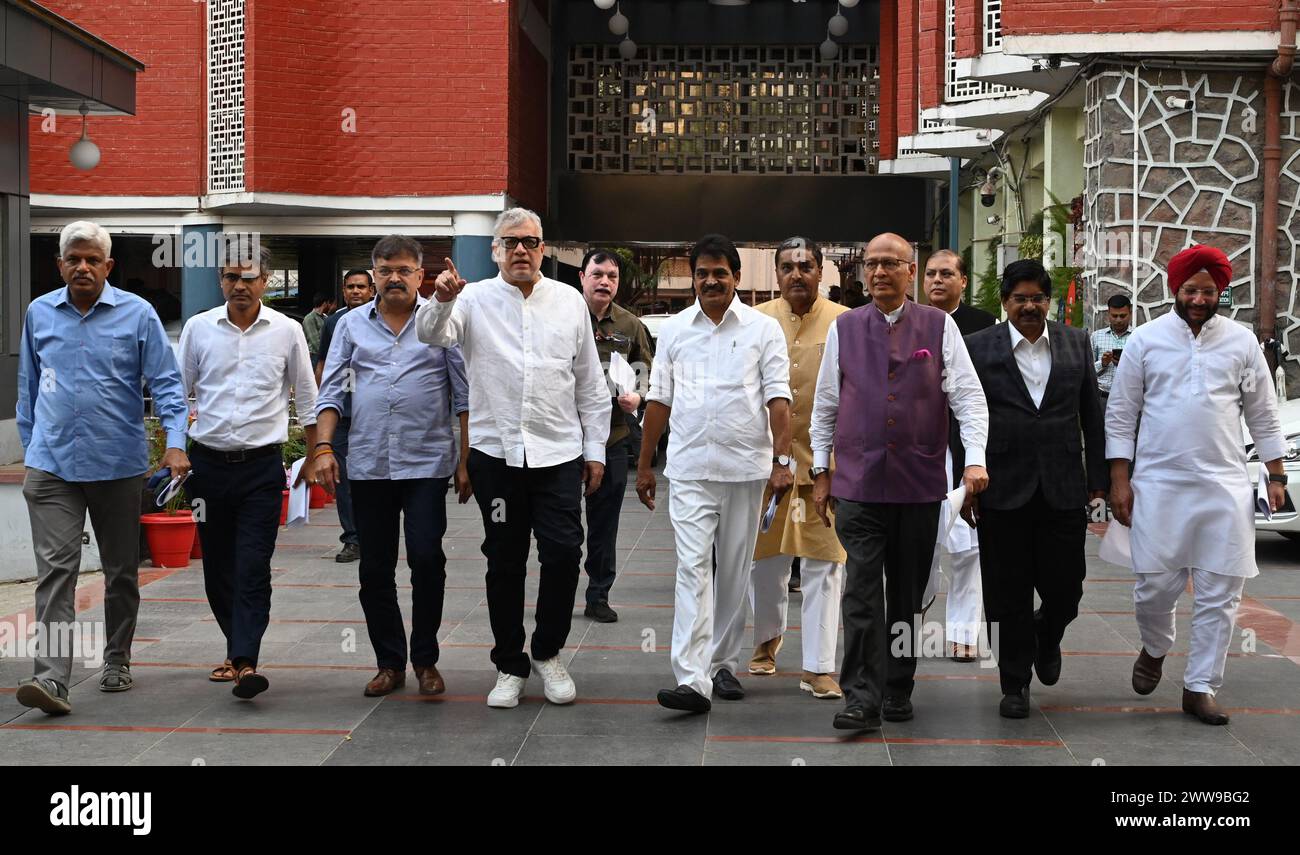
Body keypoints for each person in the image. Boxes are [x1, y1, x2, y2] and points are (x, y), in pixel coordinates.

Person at [417, 208, 610, 709]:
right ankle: (509, 663)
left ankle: (547, 652)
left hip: (558, 454)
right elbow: (432, 335)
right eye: (511, 242)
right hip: (496, 455)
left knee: (565, 553)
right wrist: (441, 298)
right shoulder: (472, 298)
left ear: (543, 248)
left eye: (531, 241)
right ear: (495, 250)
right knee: (504, 561)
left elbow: (590, 383)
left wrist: (595, 451)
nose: (521, 249)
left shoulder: (568, 301)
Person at [810, 232, 988, 731]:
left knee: (908, 592)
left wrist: (974, 461)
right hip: (858, 485)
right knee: (861, 590)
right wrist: (821, 472)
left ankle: (898, 685)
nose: (880, 272)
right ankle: (861, 696)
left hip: (919, 482)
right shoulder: (845, 328)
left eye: (891, 263)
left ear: (911, 271)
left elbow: (969, 399)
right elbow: (825, 406)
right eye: (872, 264)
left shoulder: (939, 326)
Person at [14, 221, 190, 715]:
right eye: (75, 259)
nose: (83, 267)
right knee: (56, 571)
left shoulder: (138, 315)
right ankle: (50, 679)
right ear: (60, 264)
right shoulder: (39, 313)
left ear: (108, 266)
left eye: (93, 259)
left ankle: (117, 657)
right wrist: (33, 448)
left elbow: (168, 387)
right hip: (51, 467)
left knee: (120, 572)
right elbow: (27, 389)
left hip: (117, 464)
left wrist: (175, 444)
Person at [1108, 244, 1286, 725]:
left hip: (1223, 485)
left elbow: (1263, 414)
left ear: (1220, 292)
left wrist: (1275, 474)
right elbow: (1122, 413)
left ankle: (1200, 686)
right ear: (1176, 289)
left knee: (1220, 592)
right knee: (1154, 587)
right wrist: (1119, 480)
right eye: (1191, 289)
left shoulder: (1242, 342)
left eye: (1209, 291)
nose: (1199, 299)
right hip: (1159, 483)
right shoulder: (1145, 340)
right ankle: (1155, 646)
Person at [637, 234, 793, 713]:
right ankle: (691, 678)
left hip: (746, 469)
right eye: (702, 273)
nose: (710, 281)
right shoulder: (677, 331)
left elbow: (778, 398)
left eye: (719, 273)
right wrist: (645, 464)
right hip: (689, 469)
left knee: (734, 573)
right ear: (693, 279)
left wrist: (782, 463)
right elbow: (658, 398)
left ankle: (723, 663)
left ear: (736, 278)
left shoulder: (762, 331)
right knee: (692, 568)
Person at [309, 236, 468, 697]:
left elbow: (464, 395)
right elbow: (332, 390)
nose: (393, 278)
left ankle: (426, 659)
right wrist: (322, 448)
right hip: (369, 464)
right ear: (373, 274)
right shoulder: (350, 325)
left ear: (421, 275)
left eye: (403, 270)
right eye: (385, 270)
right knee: (375, 568)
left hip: (426, 464)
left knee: (426, 559)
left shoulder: (442, 321)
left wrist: (465, 459)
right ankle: (389, 662)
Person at [964, 259, 1108, 718]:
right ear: (1005, 302)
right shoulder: (977, 347)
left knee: (1068, 589)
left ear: (1048, 302)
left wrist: (1099, 483)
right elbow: (964, 416)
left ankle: (1048, 634)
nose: (1030, 306)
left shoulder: (1075, 342)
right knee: (1006, 593)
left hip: (1063, 486)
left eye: (1038, 298)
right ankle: (1014, 682)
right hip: (1000, 486)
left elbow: (1092, 415)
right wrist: (964, 480)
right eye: (1020, 298)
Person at [179, 240, 318, 700]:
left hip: (261, 467)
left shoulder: (286, 330)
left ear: (266, 282)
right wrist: (175, 449)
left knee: (253, 564)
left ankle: (245, 660)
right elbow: (178, 394)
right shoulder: (199, 329)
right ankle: (235, 649)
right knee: (218, 564)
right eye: (231, 277)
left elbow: (307, 395)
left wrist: (317, 455)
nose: (240, 285)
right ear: (221, 280)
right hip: (206, 467)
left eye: (249, 277)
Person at [748, 237, 848, 700]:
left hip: (825, 466)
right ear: (776, 274)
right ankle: (766, 641)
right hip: (764, 467)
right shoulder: (755, 321)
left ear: (821, 270)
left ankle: (818, 667)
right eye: (787, 267)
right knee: (765, 563)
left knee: (823, 566)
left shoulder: (845, 323)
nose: (796, 274)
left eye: (805, 265)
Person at [921, 249, 997, 661]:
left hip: (965, 446)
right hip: (918, 450)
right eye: (931, 273)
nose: (937, 280)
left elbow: (983, 395)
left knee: (968, 548)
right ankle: (919, 601)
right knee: (922, 542)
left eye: (946, 273)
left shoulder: (984, 327)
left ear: (963, 281)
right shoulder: (911, 321)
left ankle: (964, 633)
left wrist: (980, 453)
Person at [579, 248, 655, 623]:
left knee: (604, 522)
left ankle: (598, 594)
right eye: (597, 274)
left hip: (611, 436)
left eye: (611, 276)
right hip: (563, 438)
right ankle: (557, 589)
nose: (604, 282)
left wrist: (638, 396)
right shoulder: (564, 318)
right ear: (582, 278)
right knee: (558, 524)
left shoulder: (630, 326)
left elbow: (648, 374)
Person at [314, 269, 377, 563]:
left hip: (372, 415)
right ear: (343, 289)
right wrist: (321, 403)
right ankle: (352, 538)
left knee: (373, 480)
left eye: (361, 287)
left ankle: (376, 533)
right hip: (341, 415)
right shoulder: (334, 322)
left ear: (371, 289)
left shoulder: (382, 318)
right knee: (345, 479)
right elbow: (325, 364)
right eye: (351, 287)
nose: (356, 291)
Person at [1092, 293, 1133, 410]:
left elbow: (1145, 370)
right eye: (1114, 316)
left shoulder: (1138, 337)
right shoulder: (1096, 336)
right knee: (1097, 429)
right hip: (1101, 398)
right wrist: (1103, 363)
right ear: (1108, 314)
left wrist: (1126, 363)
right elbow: (1087, 371)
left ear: (1130, 313)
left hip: (1128, 399)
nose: (1118, 320)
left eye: (1122, 315)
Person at [303, 291, 336, 362]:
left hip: (323, 355)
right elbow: (315, 343)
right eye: (328, 303)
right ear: (325, 303)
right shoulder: (310, 318)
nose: (330, 306)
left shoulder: (324, 317)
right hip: (315, 356)